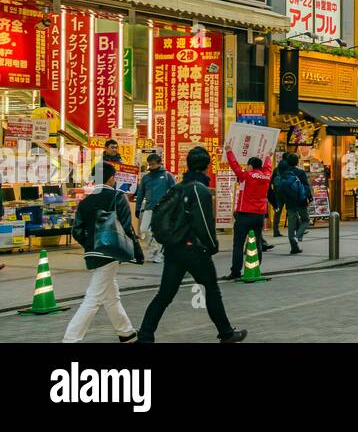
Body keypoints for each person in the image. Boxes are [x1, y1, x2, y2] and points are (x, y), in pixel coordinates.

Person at [137, 146, 247, 343]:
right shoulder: (200, 190)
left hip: (173, 250)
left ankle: (145, 336)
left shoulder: (178, 187)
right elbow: (203, 223)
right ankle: (226, 333)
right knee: (212, 290)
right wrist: (212, 245)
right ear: (207, 166)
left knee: (164, 295)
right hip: (194, 250)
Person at [64, 162, 143, 342]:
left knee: (111, 296)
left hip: (92, 253)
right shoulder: (117, 197)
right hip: (110, 253)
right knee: (93, 298)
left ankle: (126, 332)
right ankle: (71, 339)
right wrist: (136, 252)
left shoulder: (85, 202)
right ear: (110, 178)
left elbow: (76, 231)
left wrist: (90, 245)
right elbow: (126, 228)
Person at [223, 148, 272, 281]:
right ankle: (256, 268)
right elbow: (268, 166)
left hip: (244, 214)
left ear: (250, 166)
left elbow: (235, 166)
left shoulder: (247, 175)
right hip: (259, 215)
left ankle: (236, 271)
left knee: (238, 244)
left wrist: (229, 151)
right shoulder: (267, 175)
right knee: (257, 243)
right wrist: (269, 156)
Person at [136, 153, 175, 263]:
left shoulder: (168, 176)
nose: (150, 167)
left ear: (159, 163)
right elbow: (140, 193)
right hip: (148, 208)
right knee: (144, 230)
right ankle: (154, 250)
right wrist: (138, 208)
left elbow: (175, 192)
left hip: (164, 209)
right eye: (149, 164)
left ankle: (161, 254)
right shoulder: (146, 178)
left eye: (153, 164)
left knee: (161, 232)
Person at [275, 153, 312, 255]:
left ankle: (293, 246)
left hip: (289, 201)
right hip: (301, 200)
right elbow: (306, 186)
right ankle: (298, 236)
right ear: (297, 162)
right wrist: (309, 197)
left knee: (291, 223)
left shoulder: (285, 173)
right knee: (305, 219)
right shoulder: (300, 172)